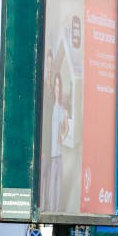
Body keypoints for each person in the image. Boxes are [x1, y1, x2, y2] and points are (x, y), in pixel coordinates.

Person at [42, 72, 69, 212]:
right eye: (56, 85)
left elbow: (67, 127)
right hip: (50, 155)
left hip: (59, 155)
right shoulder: (49, 107)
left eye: (59, 85)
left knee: (58, 189)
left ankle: (57, 213)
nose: (57, 88)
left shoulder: (62, 109)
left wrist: (63, 135)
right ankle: (49, 212)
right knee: (50, 188)